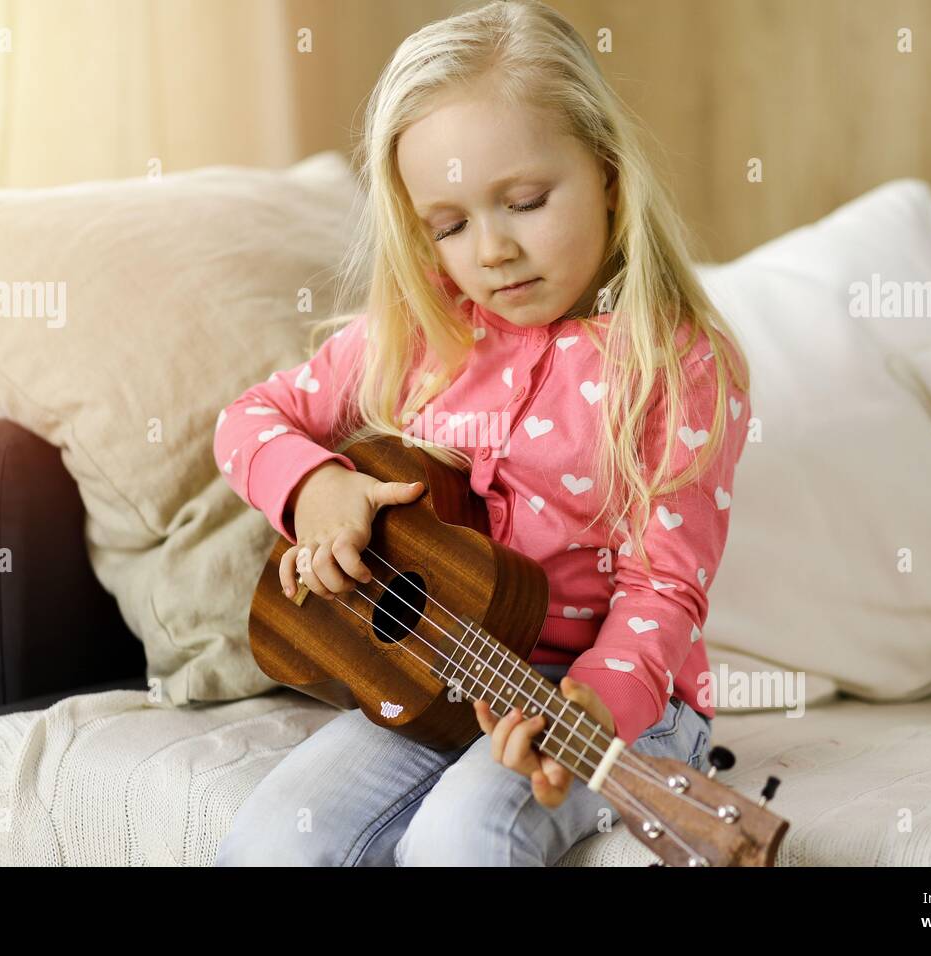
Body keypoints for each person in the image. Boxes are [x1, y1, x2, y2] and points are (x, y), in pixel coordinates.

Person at [212, 0, 751, 866]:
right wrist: (314, 488)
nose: (492, 249)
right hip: (432, 676)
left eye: (526, 202)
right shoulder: (418, 333)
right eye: (451, 225)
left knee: (464, 837)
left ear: (610, 173)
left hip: (606, 700)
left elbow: (665, 591)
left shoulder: (674, 362)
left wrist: (588, 706)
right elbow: (246, 422)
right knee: (275, 837)